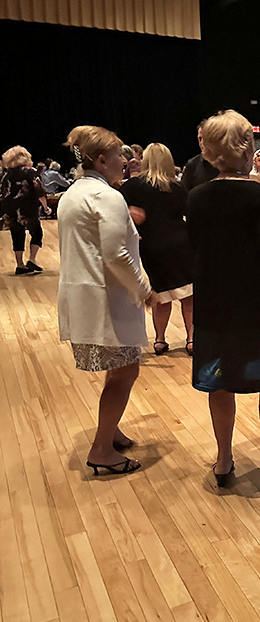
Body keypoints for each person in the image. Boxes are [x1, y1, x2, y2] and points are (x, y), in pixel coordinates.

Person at [187, 110, 260, 497]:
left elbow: (195, 256)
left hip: (213, 307)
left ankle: (223, 461)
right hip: (258, 307)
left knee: (219, 384)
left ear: (208, 152)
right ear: (247, 149)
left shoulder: (196, 198)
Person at [58, 125, 153, 476]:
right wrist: (143, 288)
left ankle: (110, 431)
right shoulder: (107, 197)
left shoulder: (72, 194)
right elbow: (114, 255)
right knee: (126, 371)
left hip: (84, 296)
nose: (124, 162)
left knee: (118, 370)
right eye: (118, 156)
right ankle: (101, 450)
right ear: (101, 160)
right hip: (108, 300)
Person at [120, 143, 194, 356]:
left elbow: (116, 209)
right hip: (180, 243)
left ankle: (160, 340)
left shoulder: (133, 187)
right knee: (188, 294)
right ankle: (191, 339)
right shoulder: (177, 187)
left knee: (160, 293)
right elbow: (189, 213)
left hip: (151, 245)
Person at [1, 145, 49, 275]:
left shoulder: (7, 175)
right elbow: (39, 191)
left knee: (17, 235)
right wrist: (45, 207)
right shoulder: (31, 172)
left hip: (11, 209)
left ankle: (20, 265)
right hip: (28, 208)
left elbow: (3, 193)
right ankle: (32, 259)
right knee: (36, 232)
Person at [181, 121, 219, 191]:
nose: (202, 143)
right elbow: (183, 193)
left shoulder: (227, 162)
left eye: (205, 138)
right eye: (200, 139)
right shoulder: (193, 164)